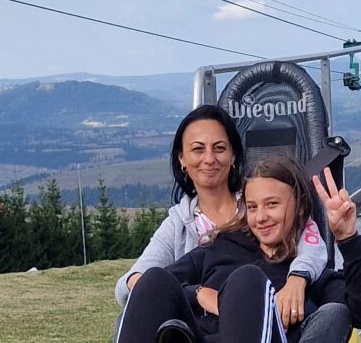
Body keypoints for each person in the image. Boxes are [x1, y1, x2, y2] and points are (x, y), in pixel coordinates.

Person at [70, 153, 361, 343]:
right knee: (151, 279)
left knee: (262, 285)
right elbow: (159, 291)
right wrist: (199, 295)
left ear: (300, 207)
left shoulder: (307, 275)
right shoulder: (219, 247)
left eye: (272, 204)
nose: (261, 217)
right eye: (252, 207)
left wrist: (348, 239)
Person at [115, 102, 328, 309]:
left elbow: (310, 244)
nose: (209, 159)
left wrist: (297, 279)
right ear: (182, 159)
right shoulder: (177, 226)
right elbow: (127, 285)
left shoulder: (259, 205)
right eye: (198, 149)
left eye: (219, 148)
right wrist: (183, 290)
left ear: (233, 155)